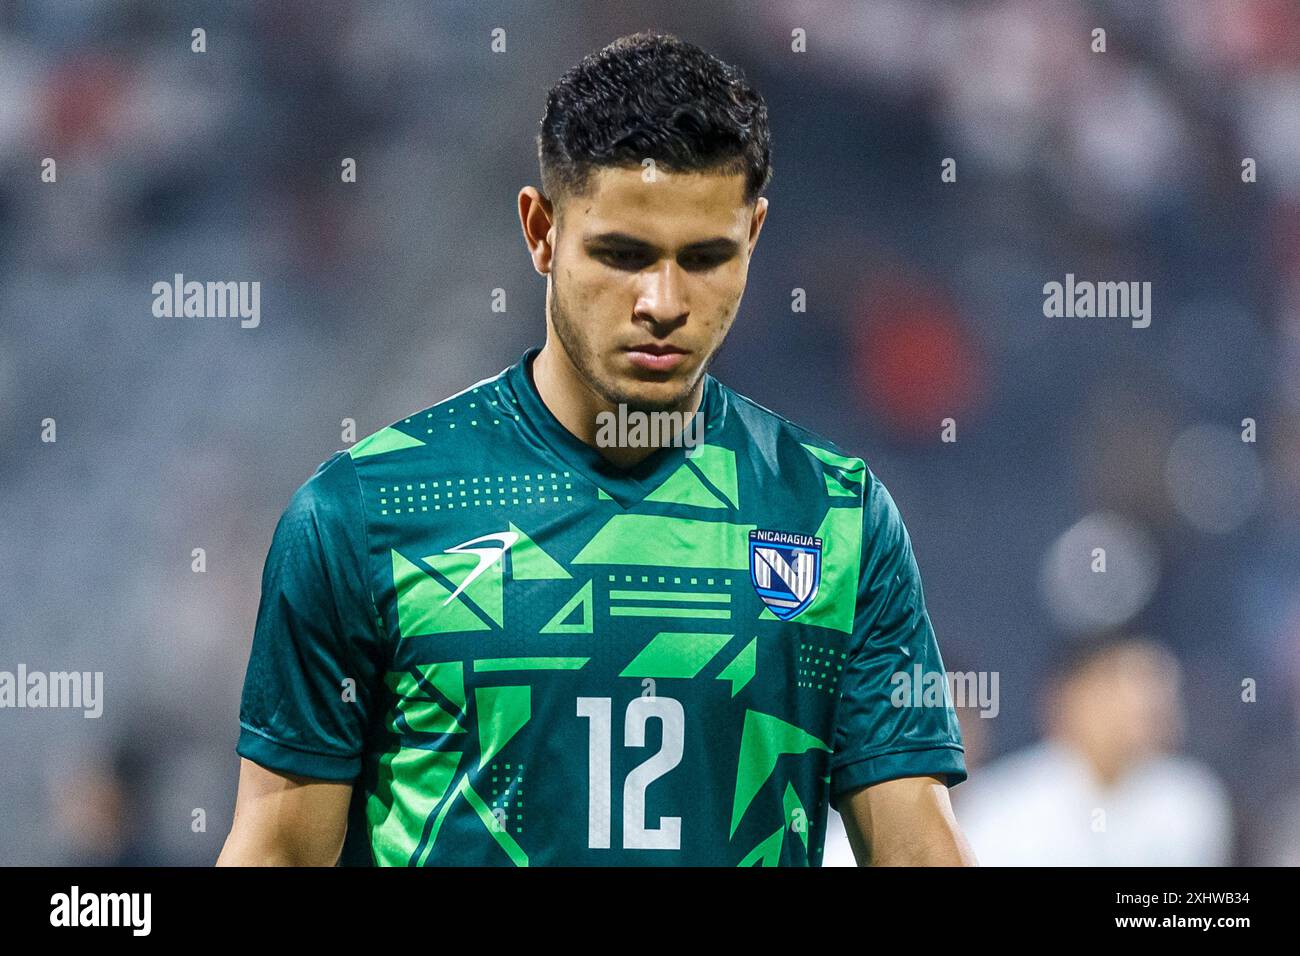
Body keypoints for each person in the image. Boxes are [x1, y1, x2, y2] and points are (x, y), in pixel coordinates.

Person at [218, 31, 972, 867]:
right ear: (541, 230)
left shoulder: (838, 517)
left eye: (706, 258)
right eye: (622, 254)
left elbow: (916, 855)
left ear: (754, 238)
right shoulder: (363, 515)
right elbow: (279, 853)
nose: (663, 301)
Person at [953, 635, 1232, 866]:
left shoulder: (1192, 799)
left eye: (1153, 684)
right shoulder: (999, 806)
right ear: (1068, 697)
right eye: (1118, 683)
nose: (1141, 702)